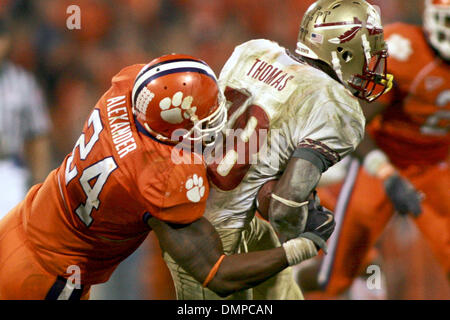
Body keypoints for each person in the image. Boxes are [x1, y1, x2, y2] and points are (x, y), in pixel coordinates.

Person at [0, 53, 335, 299]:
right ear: (175, 133)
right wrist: (303, 246)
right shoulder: (160, 180)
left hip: (20, 223)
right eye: (208, 120)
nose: (216, 122)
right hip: (47, 277)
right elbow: (217, 274)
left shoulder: (125, 89)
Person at [162, 0, 393, 300]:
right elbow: (284, 207)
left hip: (188, 196)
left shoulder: (253, 49)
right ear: (343, 52)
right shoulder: (339, 107)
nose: (373, 62)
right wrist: (309, 226)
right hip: (216, 238)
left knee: (283, 290)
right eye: (367, 52)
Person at [311, 0, 450, 297]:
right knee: (341, 269)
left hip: (437, 165)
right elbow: (355, 124)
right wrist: (385, 172)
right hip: (383, 160)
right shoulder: (402, 50)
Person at [0, 17, 51, 218]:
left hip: (8, 170)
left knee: (7, 238)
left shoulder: (23, 82)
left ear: (7, 41)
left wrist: (39, 183)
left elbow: (38, 134)